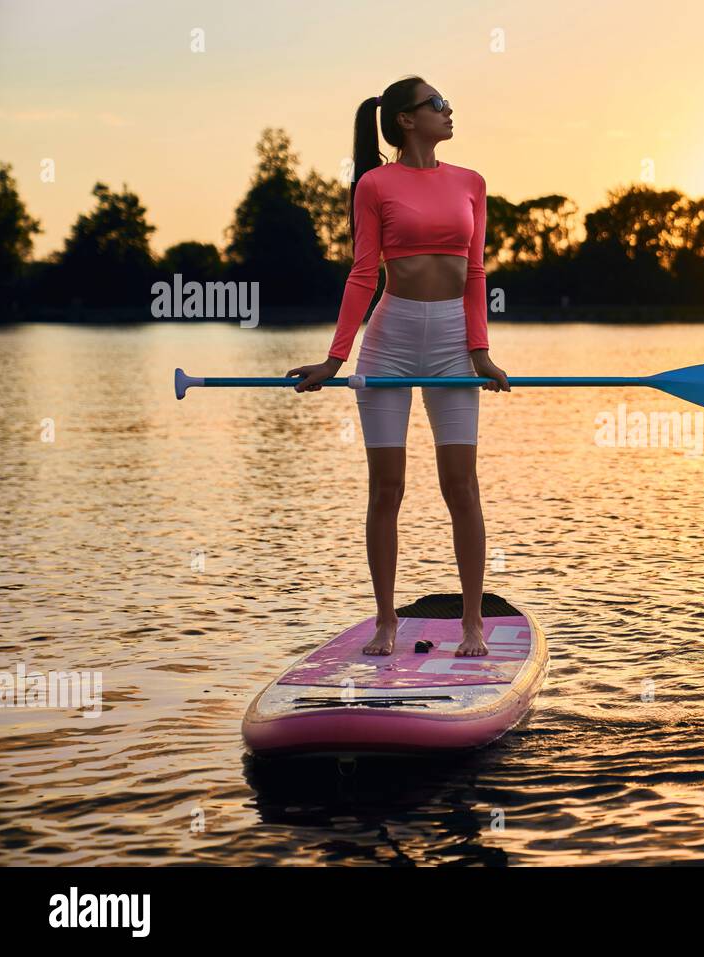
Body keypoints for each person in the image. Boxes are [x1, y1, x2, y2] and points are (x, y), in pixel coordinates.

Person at [288, 76, 509, 658]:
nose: (449, 109)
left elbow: (477, 272)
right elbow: (364, 272)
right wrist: (337, 359)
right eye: (438, 103)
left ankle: (472, 624)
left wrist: (480, 351)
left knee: (461, 486)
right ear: (406, 119)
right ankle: (386, 620)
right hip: (390, 339)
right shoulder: (374, 184)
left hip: (452, 346)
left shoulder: (471, 183)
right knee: (387, 488)